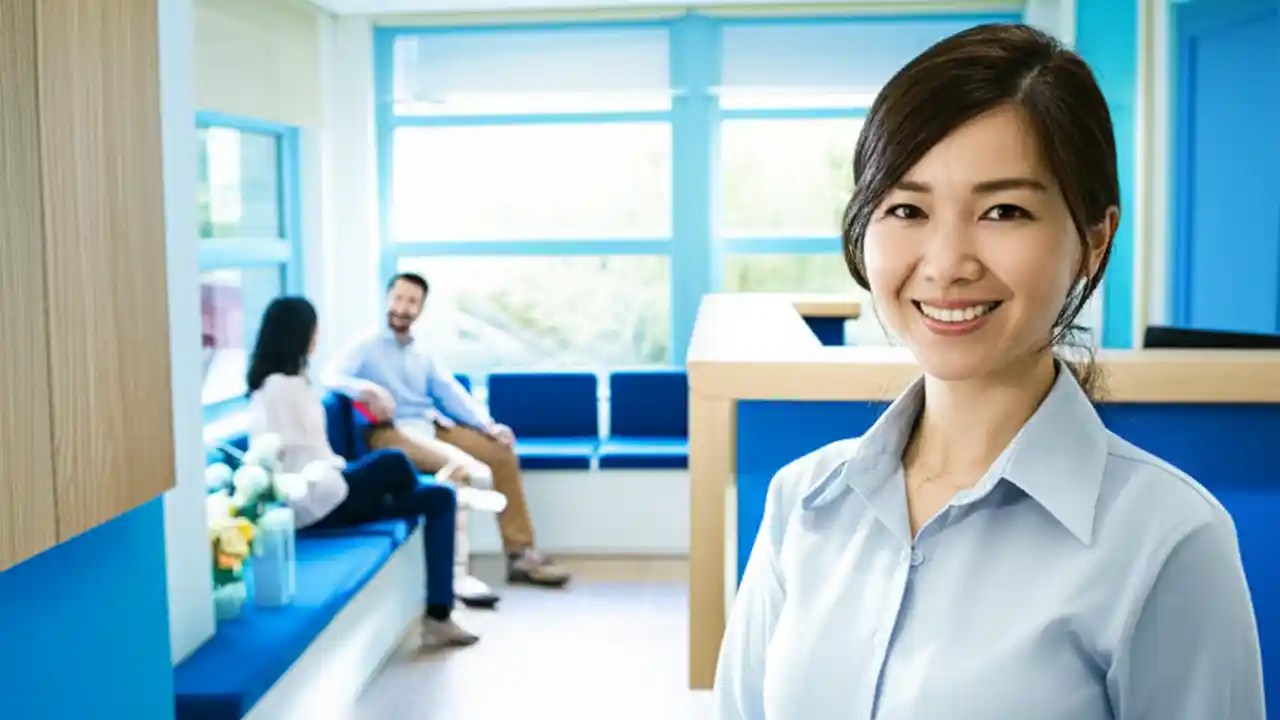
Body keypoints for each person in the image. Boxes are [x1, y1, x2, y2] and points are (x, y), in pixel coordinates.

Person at [714, 23, 1263, 720]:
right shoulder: (803, 503)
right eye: (906, 209)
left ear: (1094, 241)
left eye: (1004, 211)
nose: (947, 264)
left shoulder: (1167, 540)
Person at [246, 296, 479, 649]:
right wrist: (346, 473)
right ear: (299, 333)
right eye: (314, 329)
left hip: (329, 488)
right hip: (317, 503)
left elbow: (314, 452)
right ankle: (438, 613)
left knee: (440, 497)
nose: (317, 336)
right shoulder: (280, 388)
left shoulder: (287, 383)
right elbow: (295, 462)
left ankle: (439, 615)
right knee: (393, 461)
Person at [324, 273, 572, 599]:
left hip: (429, 423)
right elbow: (330, 376)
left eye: (412, 302)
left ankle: (520, 554)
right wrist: (366, 389)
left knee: (500, 453)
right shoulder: (366, 345)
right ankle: (458, 577)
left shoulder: (422, 351)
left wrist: (488, 426)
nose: (403, 307)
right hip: (389, 432)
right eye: (398, 299)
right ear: (387, 299)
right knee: (462, 470)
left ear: (421, 308)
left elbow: (450, 393)